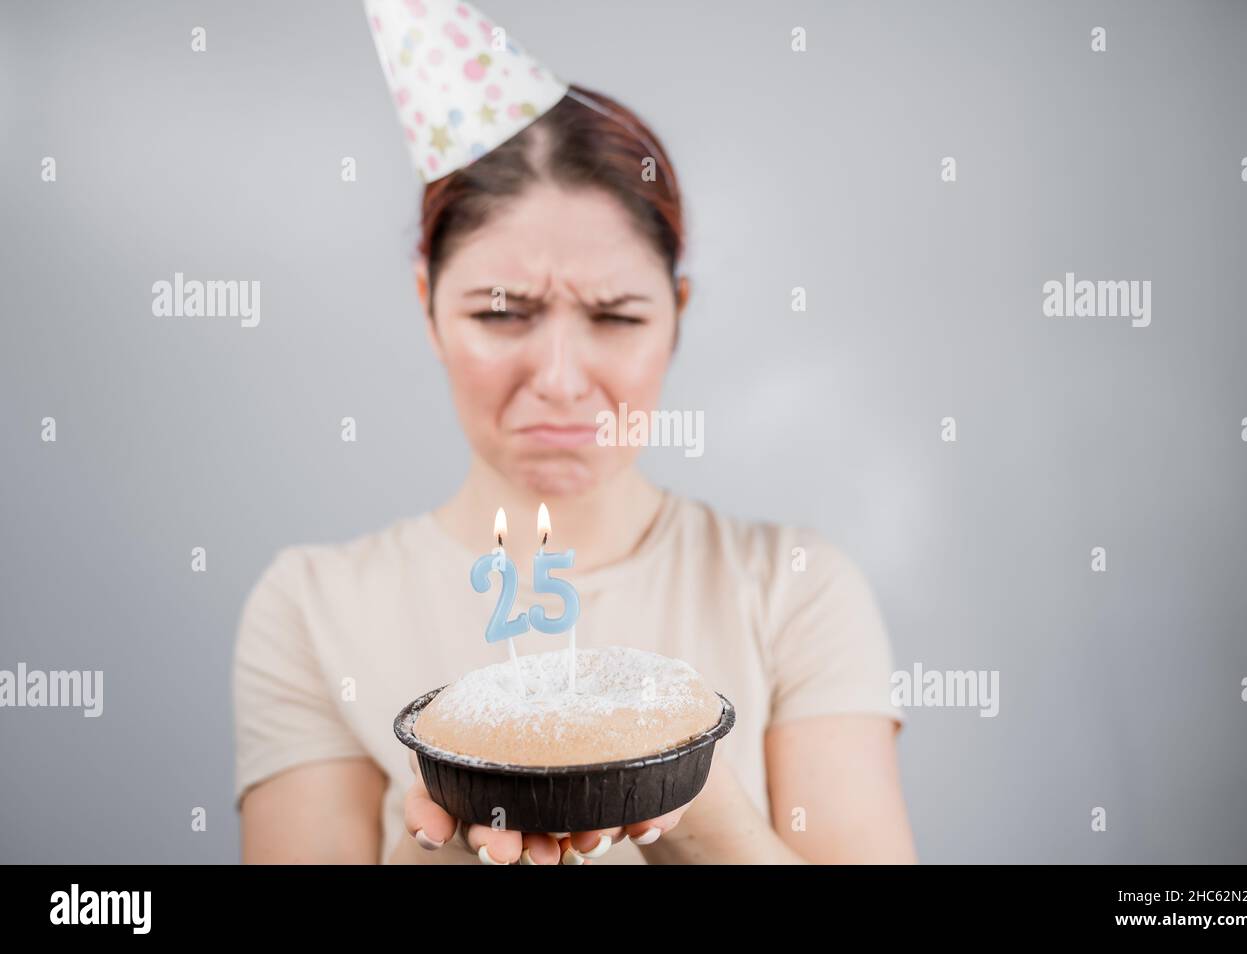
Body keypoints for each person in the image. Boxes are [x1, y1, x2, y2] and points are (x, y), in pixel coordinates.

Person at [234, 30, 914, 866]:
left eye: (617, 316)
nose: (559, 379)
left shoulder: (796, 588)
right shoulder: (312, 605)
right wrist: (446, 842)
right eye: (500, 313)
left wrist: (684, 797)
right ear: (428, 307)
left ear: (677, 314)